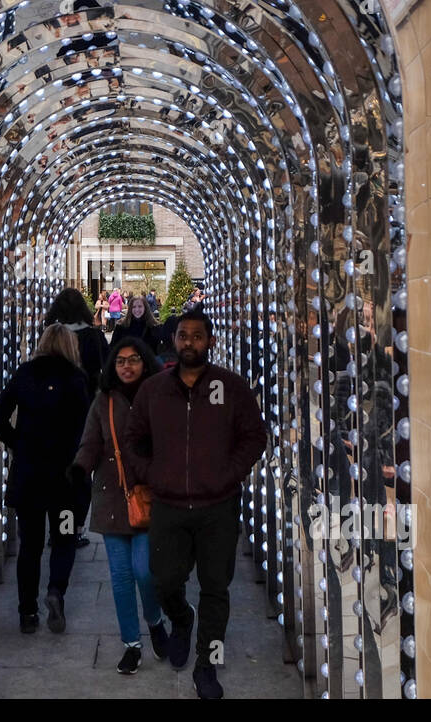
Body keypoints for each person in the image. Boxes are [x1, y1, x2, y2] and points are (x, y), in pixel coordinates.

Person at [122, 309, 268, 699]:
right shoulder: (154, 390)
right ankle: (182, 619)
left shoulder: (231, 387)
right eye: (183, 335)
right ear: (174, 340)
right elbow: (132, 438)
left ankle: (207, 664)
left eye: (197, 336)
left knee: (215, 588)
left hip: (217, 506)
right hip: (168, 505)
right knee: (163, 579)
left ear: (210, 341)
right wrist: (151, 474)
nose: (189, 342)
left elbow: (255, 436)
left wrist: (229, 473)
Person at [70, 337, 171, 674]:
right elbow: (90, 443)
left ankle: (154, 620)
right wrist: (79, 469)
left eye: (134, 359)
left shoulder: (159, 397)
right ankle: (131, 644)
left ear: (145, 362)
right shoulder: (104, 401)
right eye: (120, 361)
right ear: (113, 366)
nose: (127, 366)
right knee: (121, 576)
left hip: (148, 496)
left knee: (144, 570)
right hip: (112, 498)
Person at [0, 324, 91, 633]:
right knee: (64, 539)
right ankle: (56, 591)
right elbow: (85, 429)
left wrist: (18, 442)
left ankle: (27, 613)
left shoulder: (25, 374)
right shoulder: (76, 379)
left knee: (30, 545)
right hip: (64, 478)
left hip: (30, 474)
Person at [44, 287, 110, 548]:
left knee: (58, 473)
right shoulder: (93, 336)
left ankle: (60, 529)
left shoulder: (51, 334)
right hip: (85, 409)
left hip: (52, 412)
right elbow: (106, 366)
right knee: (80, 470)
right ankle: (74, 529)